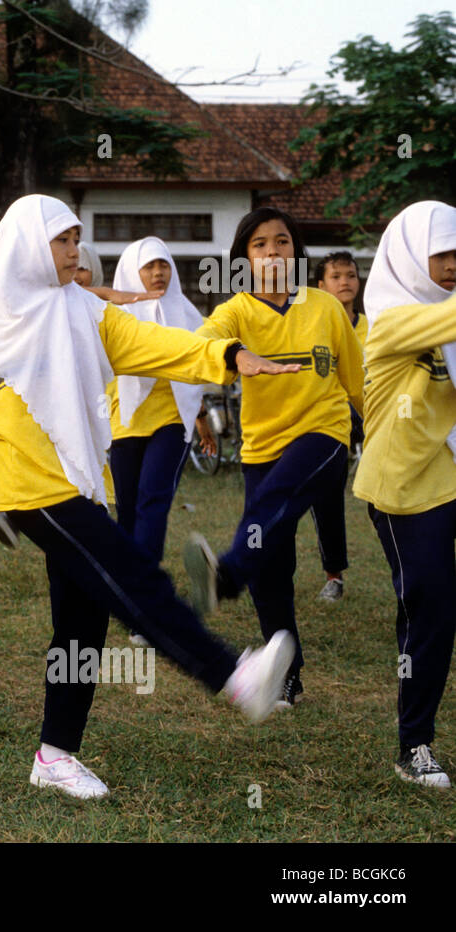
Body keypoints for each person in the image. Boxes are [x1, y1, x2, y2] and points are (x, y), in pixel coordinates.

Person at [0, 194, 299, 799]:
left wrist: (227, 354)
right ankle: (232, 675)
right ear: (29, 246)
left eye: (75, 241)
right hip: (34, 494)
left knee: (81, 625)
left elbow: (159, 346)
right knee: (136, 578)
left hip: (85, 483)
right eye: (63, 241)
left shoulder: (86, 312)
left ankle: (55, 755)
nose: (75, 252)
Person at [185, 207, 364, 711]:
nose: (273, 251)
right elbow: (204, 342)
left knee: (274, 503)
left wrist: (382, 437)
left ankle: (226, 576)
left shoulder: (326, 306)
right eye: (260, 244)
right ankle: (286, 675)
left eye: (282, 241)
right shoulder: (236, 310)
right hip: (262, 447)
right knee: (272, 563)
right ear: (244, 257)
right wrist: (235, 354)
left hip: (323, 435)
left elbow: (357, 382)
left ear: (296, 250)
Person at [353, 200, 456, 788]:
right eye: (439, 254)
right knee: (431, 608)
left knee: (429, 605)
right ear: (410, 255)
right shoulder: (392, 321)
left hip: (448, 472)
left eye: (455, 253)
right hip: (403, 488)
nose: (450, 265)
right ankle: (414, 743)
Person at [106, 238, 209, 646]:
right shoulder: (113, 315)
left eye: (163, 265)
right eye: (148, 267)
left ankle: (147, 609)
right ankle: (130, 594)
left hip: (172, 420)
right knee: (127, 512)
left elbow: (202, 360)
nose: (158, 274)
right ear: (132, 271)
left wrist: (200, 419)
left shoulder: (187, 314)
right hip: (125, 421)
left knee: (153, 500)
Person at [307, 250, 366, 602]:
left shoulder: (374, 324)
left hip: (373, 413)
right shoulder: (313, 325)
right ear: (321, 285)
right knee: (326, 494)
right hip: (327, 419)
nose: (345, 282)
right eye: (336, 276)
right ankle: (335, 575)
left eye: (351, 275)